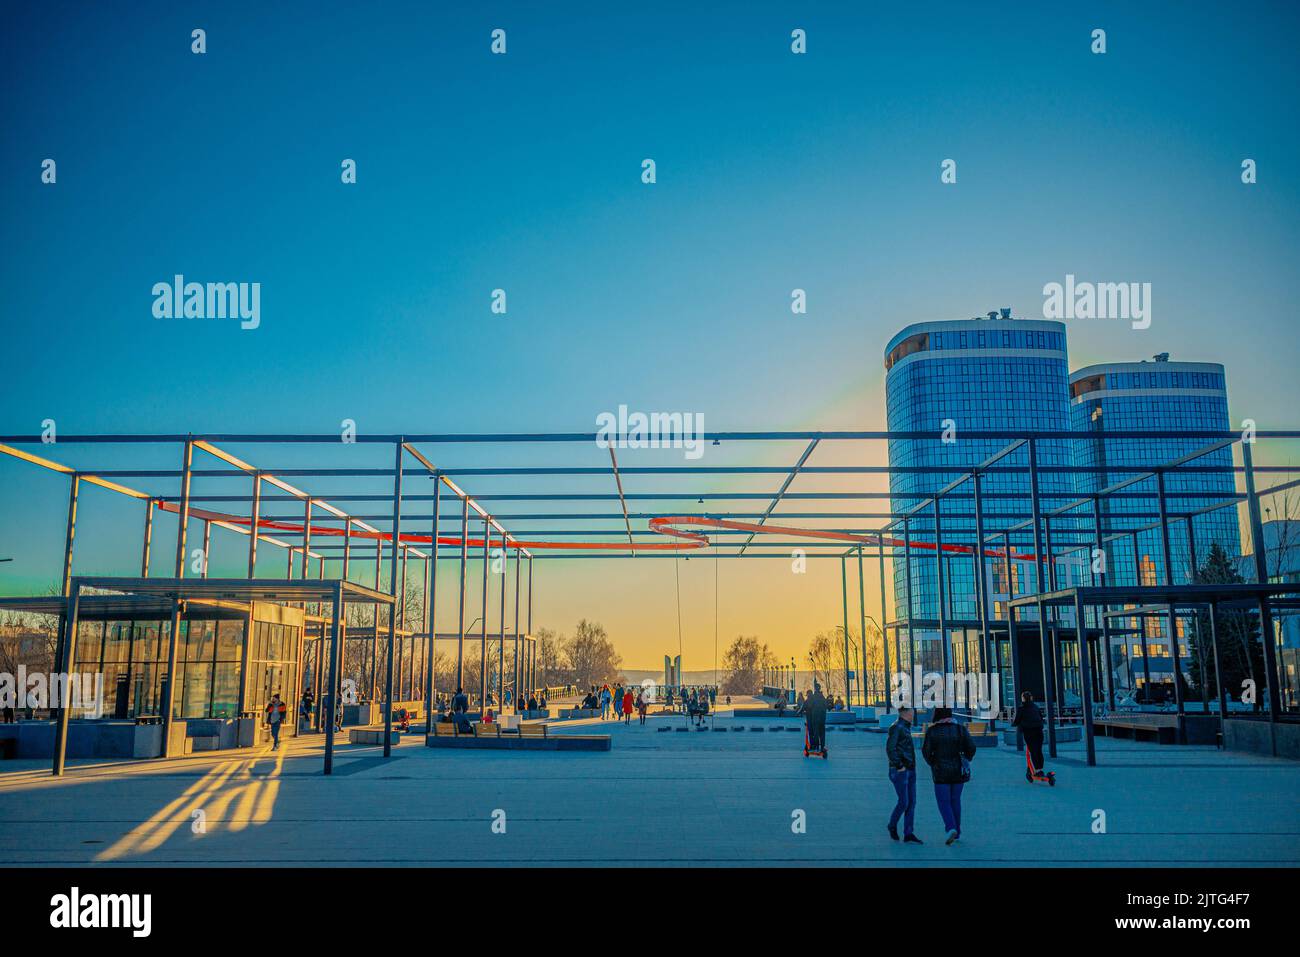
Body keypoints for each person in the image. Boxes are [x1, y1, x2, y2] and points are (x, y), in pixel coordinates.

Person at [922, 707, 977, 845]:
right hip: (958, 770)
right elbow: (971, 747)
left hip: (940, 771)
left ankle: (950, 827)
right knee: (955, 800)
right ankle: (957, 831)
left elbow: (926, 752)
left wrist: (933, 763)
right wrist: (966, 759)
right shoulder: (960, 729)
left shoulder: (932, 731)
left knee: (943, 802)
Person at [886, 707, 921, 844]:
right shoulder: (897, 727)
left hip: (910, 769)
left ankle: (909, 833)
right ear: (906, 713)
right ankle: (892, 825)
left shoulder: (904, 727)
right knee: (904, 802)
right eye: (912, 711)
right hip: (901, 771)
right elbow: (890, 748)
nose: (914, 713)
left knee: (911, 802)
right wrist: (899, 765)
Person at [1012, 691, 1046, 779]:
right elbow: (1041, 717)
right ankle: (1040, 768)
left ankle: (1037, 771)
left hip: (1029, 732)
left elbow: (1017, 720)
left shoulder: (1022, 708)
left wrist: (1014, 724)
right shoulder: (1035, 706)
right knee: (1039, 750)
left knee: (1033, 751)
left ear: (1023, 698)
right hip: (1039, 730)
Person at [798, 682, 829, 753]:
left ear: (815, 689)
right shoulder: (823, 697)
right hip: (823, 719)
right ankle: (822, 747)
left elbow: (806, 705)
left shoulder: (813, 697)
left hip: (815, 719)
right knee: (822, 733)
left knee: (815, 733)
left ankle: (815, 747)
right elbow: (827, 706)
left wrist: (799, 712)